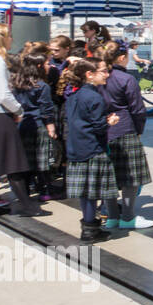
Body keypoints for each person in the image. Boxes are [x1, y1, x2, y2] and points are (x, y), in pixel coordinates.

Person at [61, 58, 119, 242]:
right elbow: (98, 127)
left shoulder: (74, 96)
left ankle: (88, 226)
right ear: (89, 74)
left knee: (85, 193)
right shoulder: (94, 97)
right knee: (92, 192)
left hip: (75, 148)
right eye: (103, 71)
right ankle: (90, 231)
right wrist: (109, 121)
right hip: (93, 148)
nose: (107, 75)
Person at [100, 41, 153, 230]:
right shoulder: (126, 79)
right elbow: (138, 109)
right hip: (125, 128)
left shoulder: (99, 77)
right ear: (122, 57)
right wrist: (139, 129)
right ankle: (128, 217)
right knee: (131, 177)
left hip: (103, 131)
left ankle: (112, 217)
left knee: (108, 176)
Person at [0, 26, 40, 216]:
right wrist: (19, 109)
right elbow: (3, 95)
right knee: (13, 162)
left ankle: (26, 204)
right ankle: (27, 205)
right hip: (0, 115)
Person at [11, 52, 58, 204]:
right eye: (46, 63)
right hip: (38, 126)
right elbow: (46, 109)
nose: (49, 66)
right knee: (42, 162)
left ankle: (24, 193)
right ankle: (44, 191)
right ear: (39, 66)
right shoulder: (42, 86)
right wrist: (51, 128)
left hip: (21, 126)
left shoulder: (16, 84)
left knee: (25, 161)